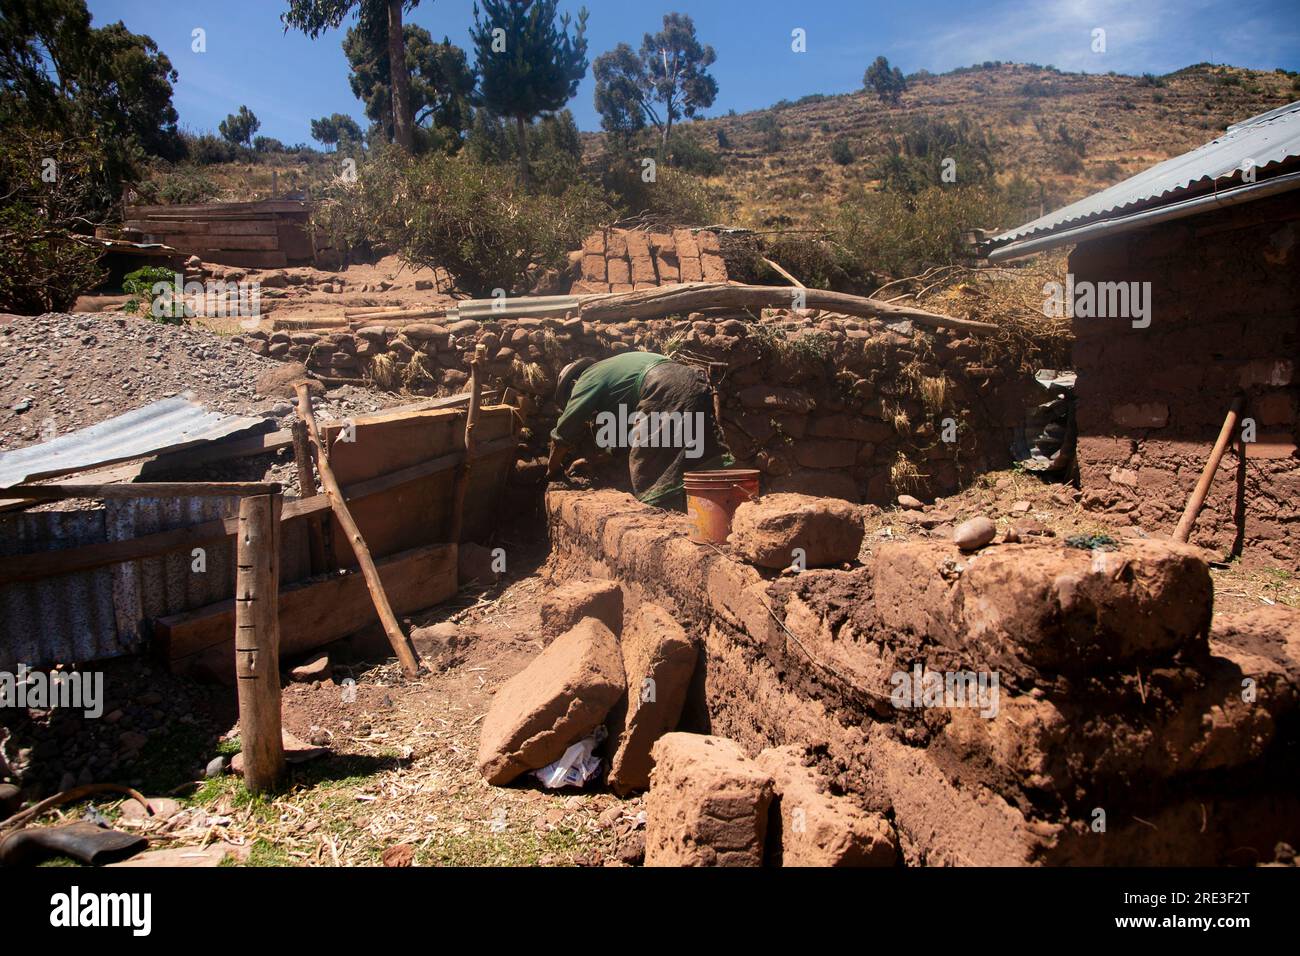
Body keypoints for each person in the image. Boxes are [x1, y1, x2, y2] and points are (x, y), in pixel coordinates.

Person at [547, 351, 730, 509]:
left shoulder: (587, 377)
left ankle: (664, 526)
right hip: (693, 382)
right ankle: (717, 514)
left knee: (649, 471)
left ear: (572, 384)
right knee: (698, 458)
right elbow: (621, 444)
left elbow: (564, 431)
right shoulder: (617, 381)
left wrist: (552, 471)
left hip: (662, 386)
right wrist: (591, 461)